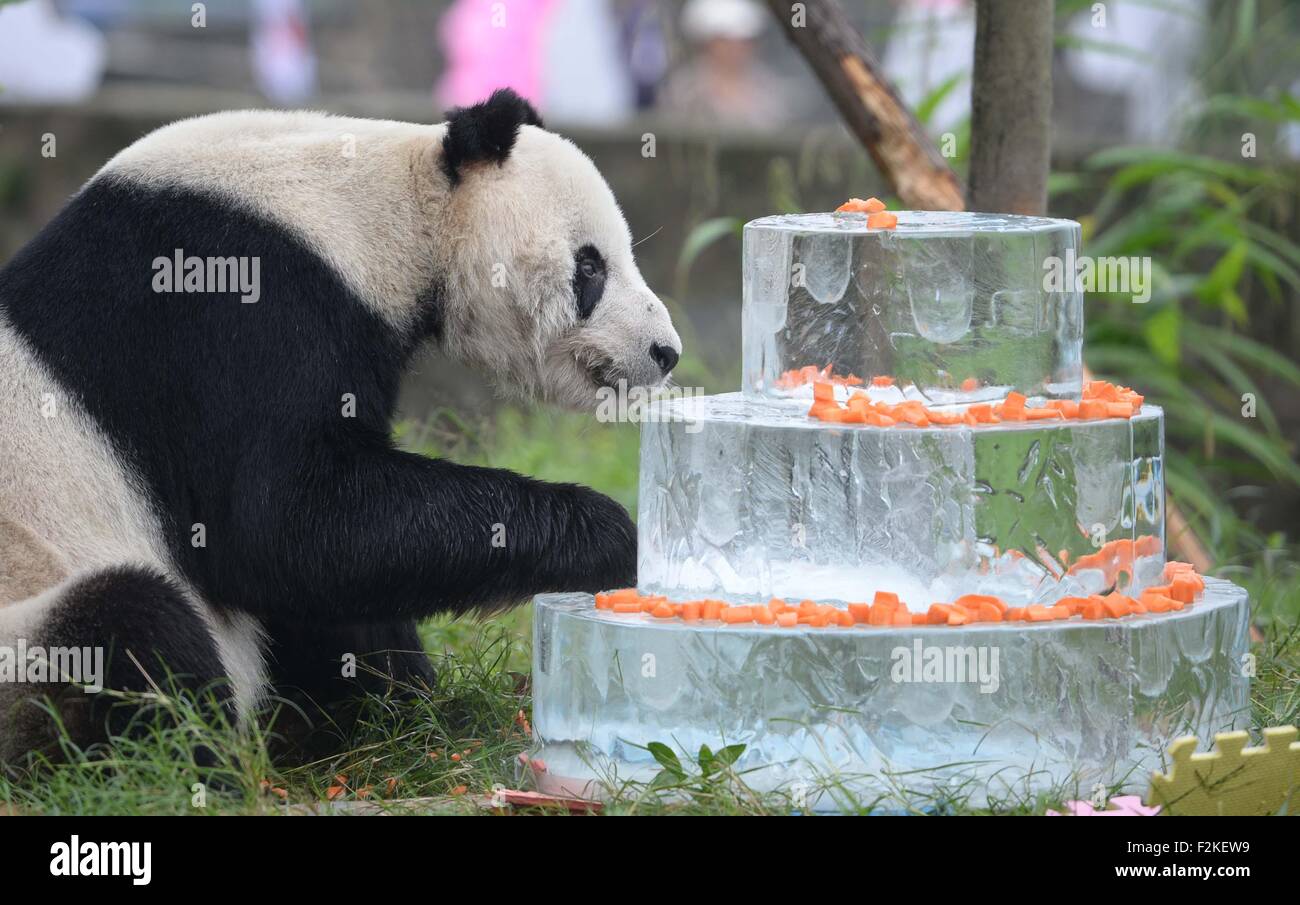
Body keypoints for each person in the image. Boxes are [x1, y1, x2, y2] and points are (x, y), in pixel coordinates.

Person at [658, 0, 797, 131]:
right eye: (726, 42)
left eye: (743, 41)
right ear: (708, 43)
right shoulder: (684, 90)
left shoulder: (769, 88)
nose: (735, 49)